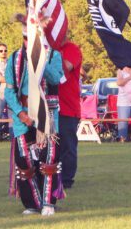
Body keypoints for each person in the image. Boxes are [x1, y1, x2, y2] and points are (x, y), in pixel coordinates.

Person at [5, 31, 66, 215]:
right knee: (25, 161)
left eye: (32, 37)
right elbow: (9, 91)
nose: (28, 41)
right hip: (23, 117)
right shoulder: (14, 58)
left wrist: (39, 62)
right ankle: (32, 203)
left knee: (49, 159)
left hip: (48, 116)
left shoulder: (54, 55)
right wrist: (21, 113)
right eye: (25, 37)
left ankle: (48, 202)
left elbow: (56, 78)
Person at [58, 39, 83, 189]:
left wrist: (53, 55)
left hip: (68, 107)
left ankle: (66, 180)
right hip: (49, 107)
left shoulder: (71, 48)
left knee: (67, 145)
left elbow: (67, 66)